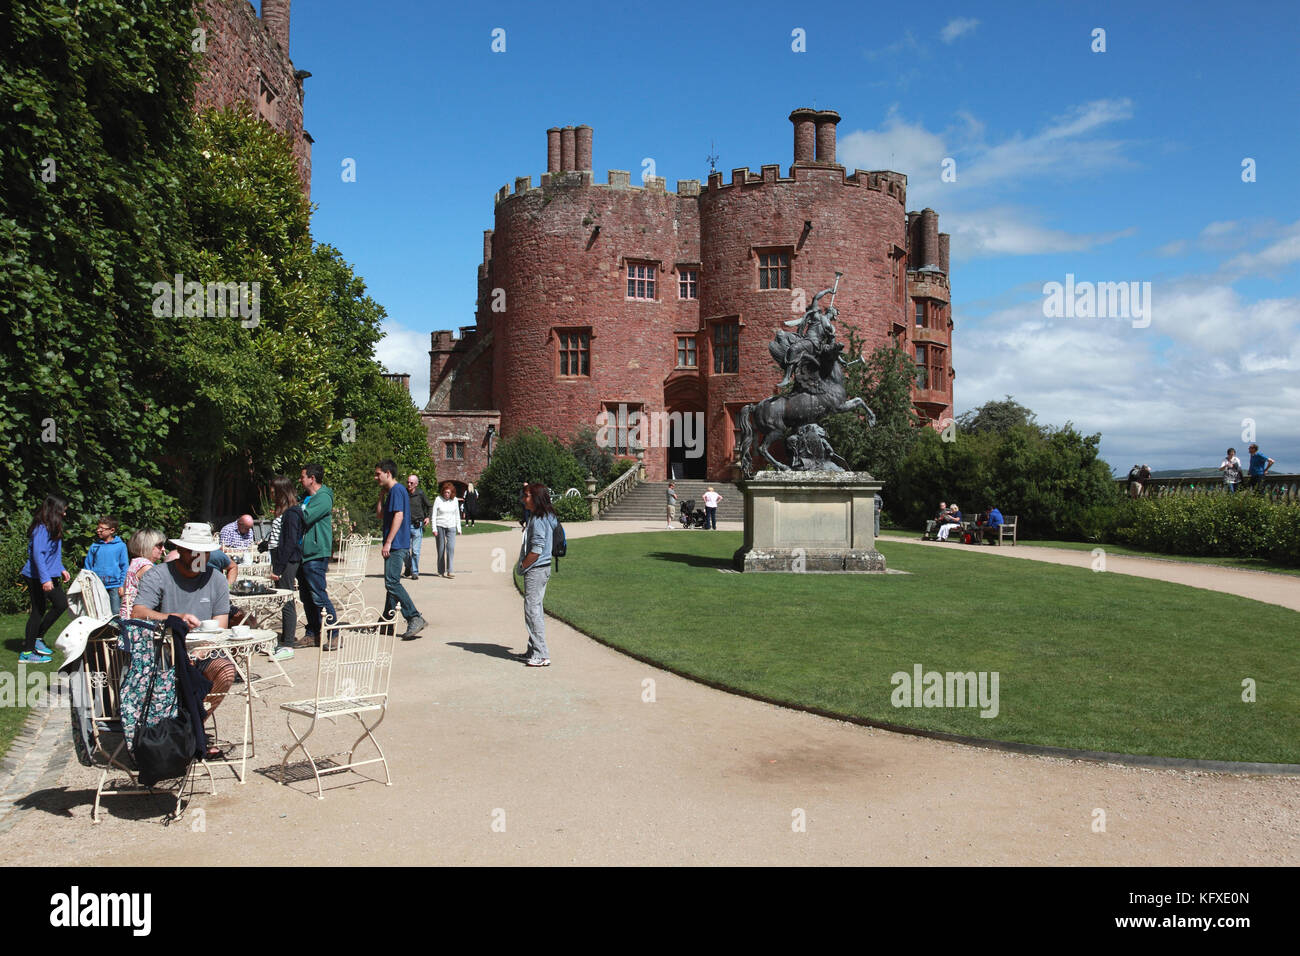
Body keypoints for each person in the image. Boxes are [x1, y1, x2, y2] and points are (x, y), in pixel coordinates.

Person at [130, 523, 237, 747]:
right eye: (194, 552)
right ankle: (180, 731)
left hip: (203, 650)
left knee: (227, 672)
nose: (200, 557)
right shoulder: (158, 575)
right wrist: (174, 618)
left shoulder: (216, 579)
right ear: (181, 551)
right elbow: (138, 612)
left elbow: (221, 625)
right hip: (163, 652)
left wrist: (200, 652)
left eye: (205, 552)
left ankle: (188, 728)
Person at [375, 459, 427, 639]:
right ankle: (386, 622)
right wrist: (381, 496)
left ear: (388, 473)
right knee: (392, 582)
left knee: (391, 582)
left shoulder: (397, 490)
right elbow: (381, 515)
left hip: (396, 544)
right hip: (396, 544)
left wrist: (388, 542)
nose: (375, 477)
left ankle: (414, 616)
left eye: (378, 474)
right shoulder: (393, 492)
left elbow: (399, 515)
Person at [19, 494, 71, 664]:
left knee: (61, 604)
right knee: (38, 611)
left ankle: (36, 639)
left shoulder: (52, 526)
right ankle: (27, 653)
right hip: (36, 576)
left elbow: (51, 555)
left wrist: (61, 569)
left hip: (48, 574)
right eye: (63, 510)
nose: (64, 513)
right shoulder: (41, 528)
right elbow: (37, 555)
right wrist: (45, 579)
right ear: (55, 509)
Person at [515, 483, 558, 667]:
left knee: (532, 611)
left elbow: (537, 550)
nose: (524, 499)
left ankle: (541, 654)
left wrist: (522, 566)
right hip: (543, 568)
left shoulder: (539, 518)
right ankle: (533, 649)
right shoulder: (546, 515)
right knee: (535, 609)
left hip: (536, 569)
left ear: (536, 498)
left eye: (527, 496)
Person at [298, 463, 338, 648]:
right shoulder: (306, 498)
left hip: (315, 553)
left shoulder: (323, 498)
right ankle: (313, 633)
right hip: (303, 554)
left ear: (312, 479)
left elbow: (304, 518)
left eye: (303, 476)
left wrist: (296, 511)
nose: (300, 480)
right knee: (306, 597)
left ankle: (334, 634)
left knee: (318, 595)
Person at [264, 476, 303, 659]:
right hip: (279, 557)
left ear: (280, 491)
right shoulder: (283, 512)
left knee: (286, 598)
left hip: (286, 561)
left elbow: (290, 542)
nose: (271, 493)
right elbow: (278, 537)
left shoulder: (292, 512)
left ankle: (288, 644)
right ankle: (286, 641)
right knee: (283, 598)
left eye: (273, 490)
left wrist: (278, 568)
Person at [83, 514, 128, 616]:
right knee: (98, 612)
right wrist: (87, 583)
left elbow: (124, 567)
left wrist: (122, 585)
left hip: (114, 585)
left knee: (115, 612)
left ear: (112, 530)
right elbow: (88, 567)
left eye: (102, 528)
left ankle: (114, 631)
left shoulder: (120, 546)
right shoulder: (94, 546)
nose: (98, 530)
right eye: (98, 528)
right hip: (97, 585)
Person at [122, 528, 166, 619]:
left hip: (127, 616)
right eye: (159, 546)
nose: (163, 549)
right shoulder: (146, 567)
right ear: (148, 545)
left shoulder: (136, 562)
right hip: (139, 620)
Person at [403, 474, 432, 580]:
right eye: (408, 482)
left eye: (411, 483)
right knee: (405, 550)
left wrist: (428, 517)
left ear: (416, 484)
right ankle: (408, 566)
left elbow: (429, 506)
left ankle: (414, 572)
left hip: (417, 525)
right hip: (405, 526)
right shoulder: (404, 493)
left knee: (415, 551)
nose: (409, 484)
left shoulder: (420, 494)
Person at [432, 480, 462, 578]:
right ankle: (441, 570)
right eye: (445, 492)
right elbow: (433, 515)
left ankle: (450, 570)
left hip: (451, 526)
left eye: (448, 492)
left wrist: (459, 528)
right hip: (440, 525)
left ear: (452, 493)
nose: (446, 494)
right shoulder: (438, 499)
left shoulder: (455, 500)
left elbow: (457, 514)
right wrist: (434, 528)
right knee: (441, 549)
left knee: (451, 548)